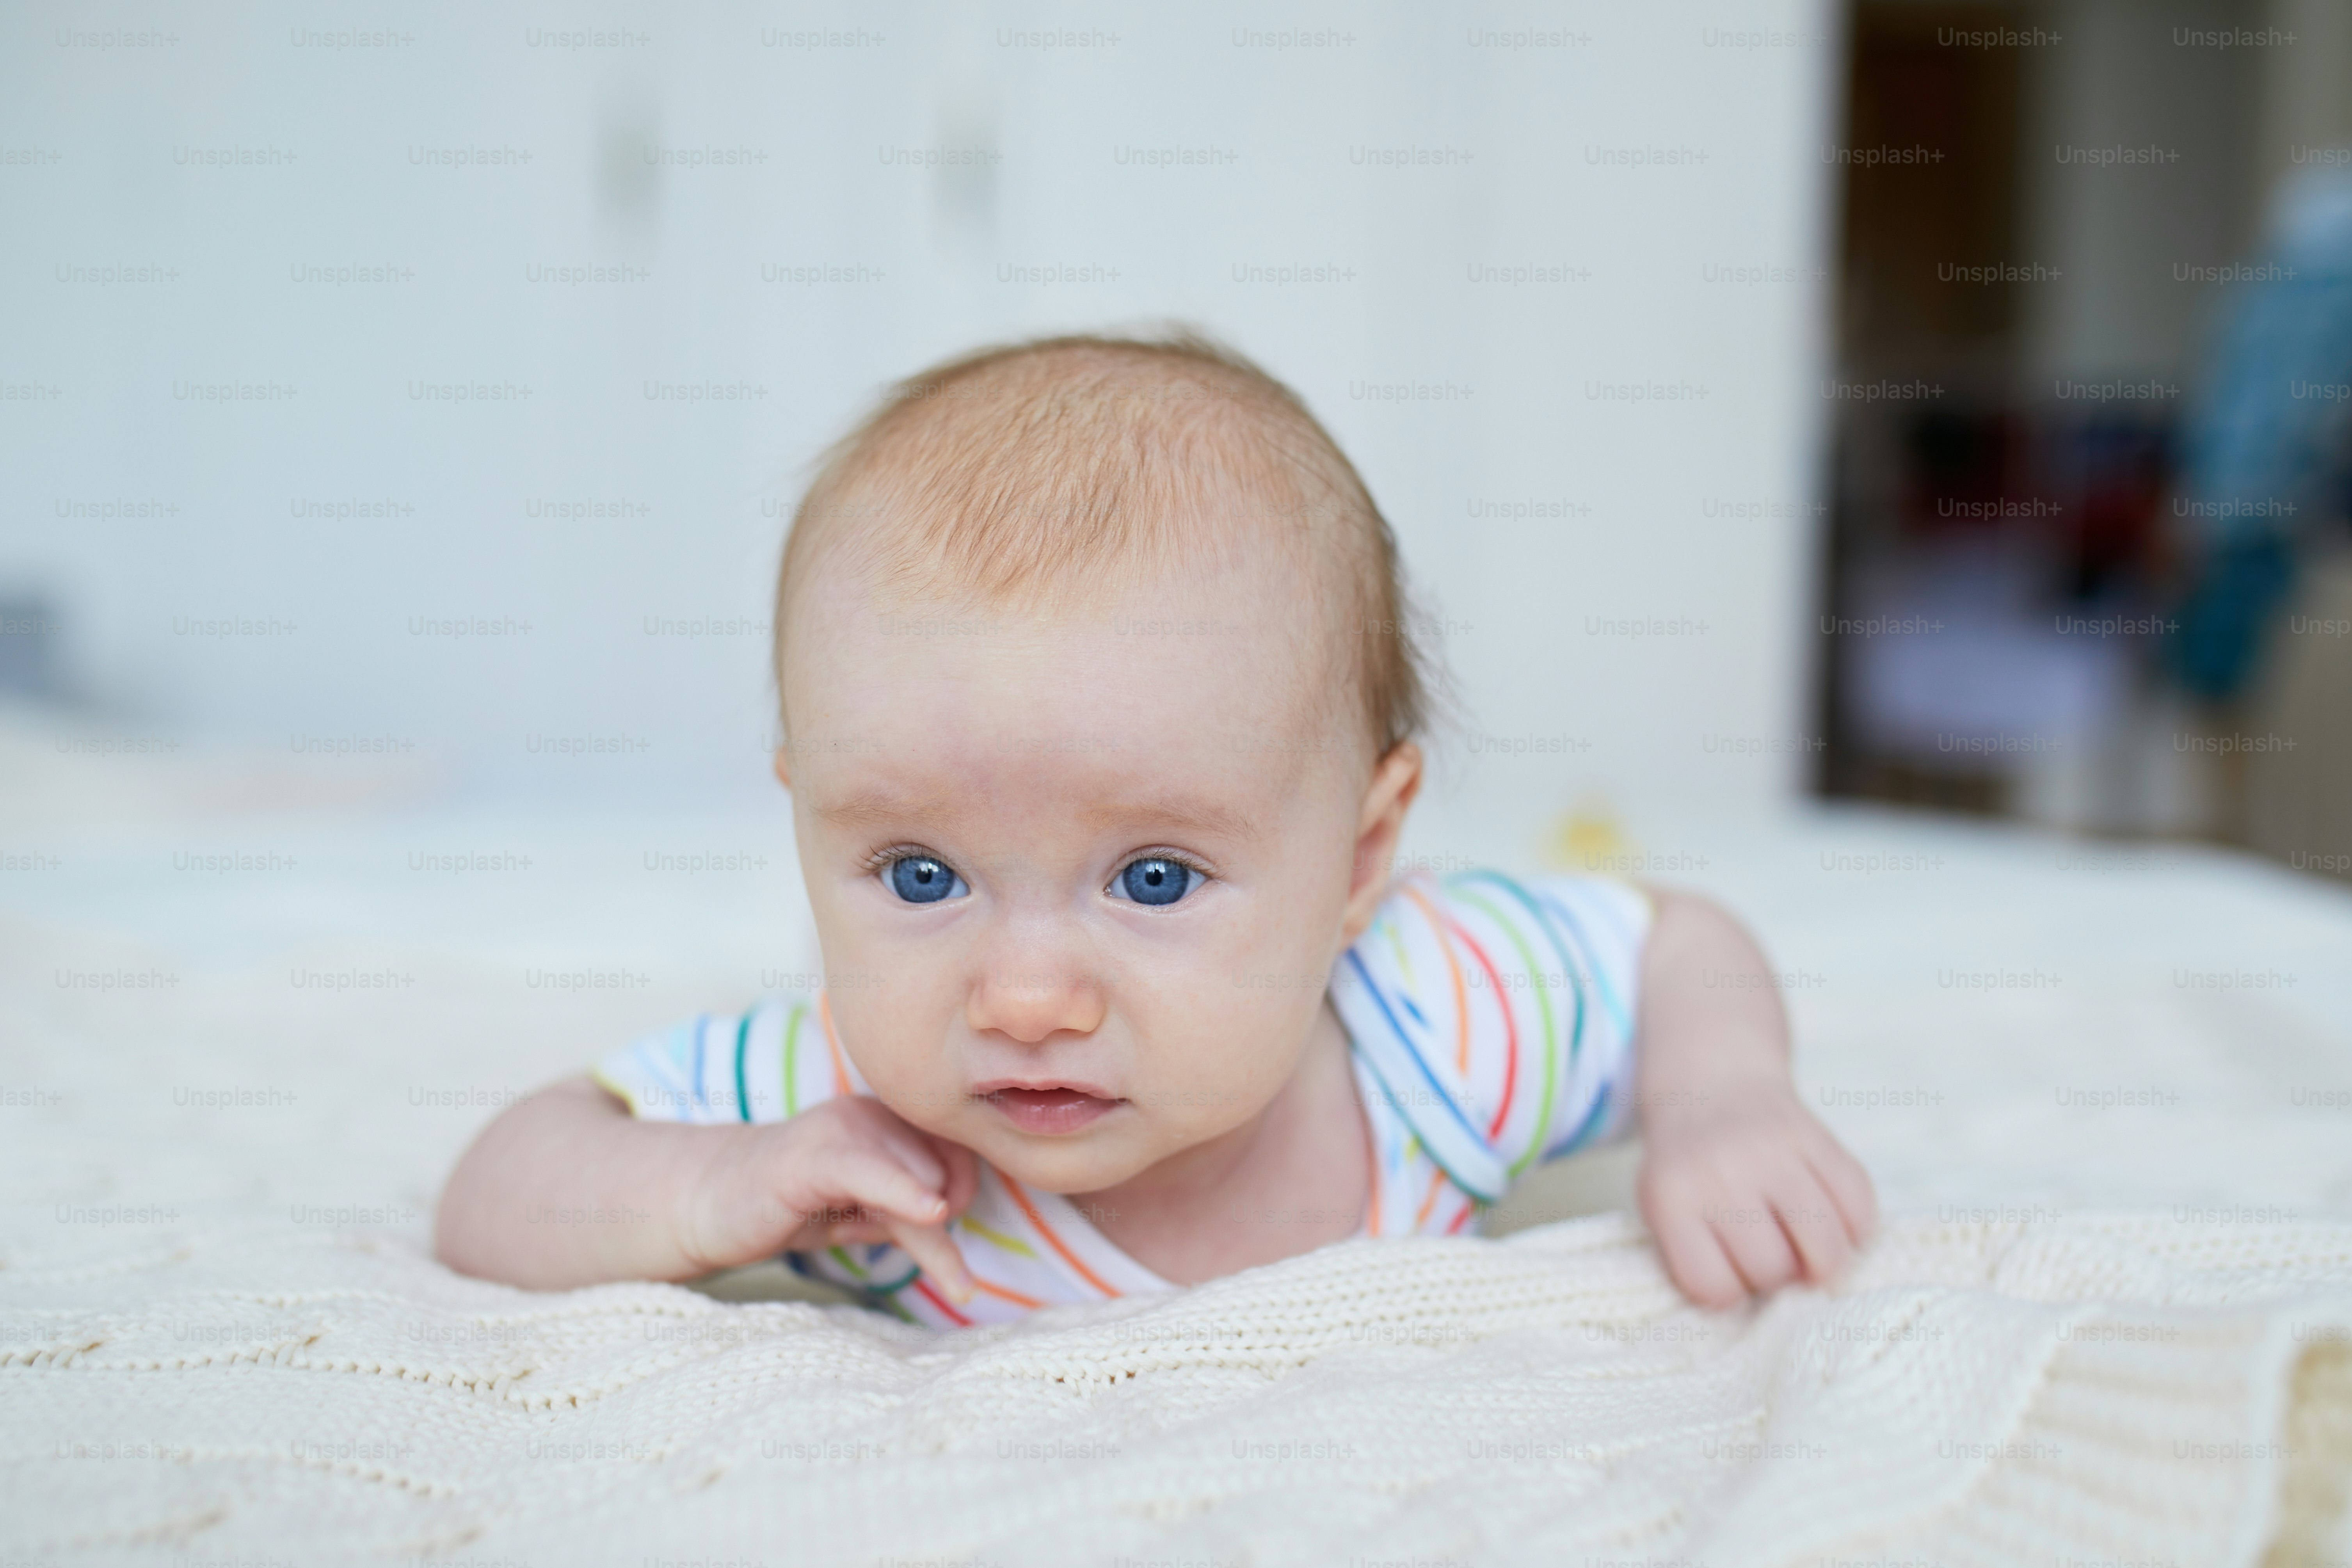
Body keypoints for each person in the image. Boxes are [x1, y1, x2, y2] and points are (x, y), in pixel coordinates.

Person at [435, 332, 1876, 1325]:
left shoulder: (1436, 1019)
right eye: (920, 874)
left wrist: (1724, 1101)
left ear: (1361, 860)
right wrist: (708, 1188)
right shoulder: (848, 1119)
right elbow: (500, 1189)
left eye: (1155, 875)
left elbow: (1674, 944)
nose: (1027, 997)